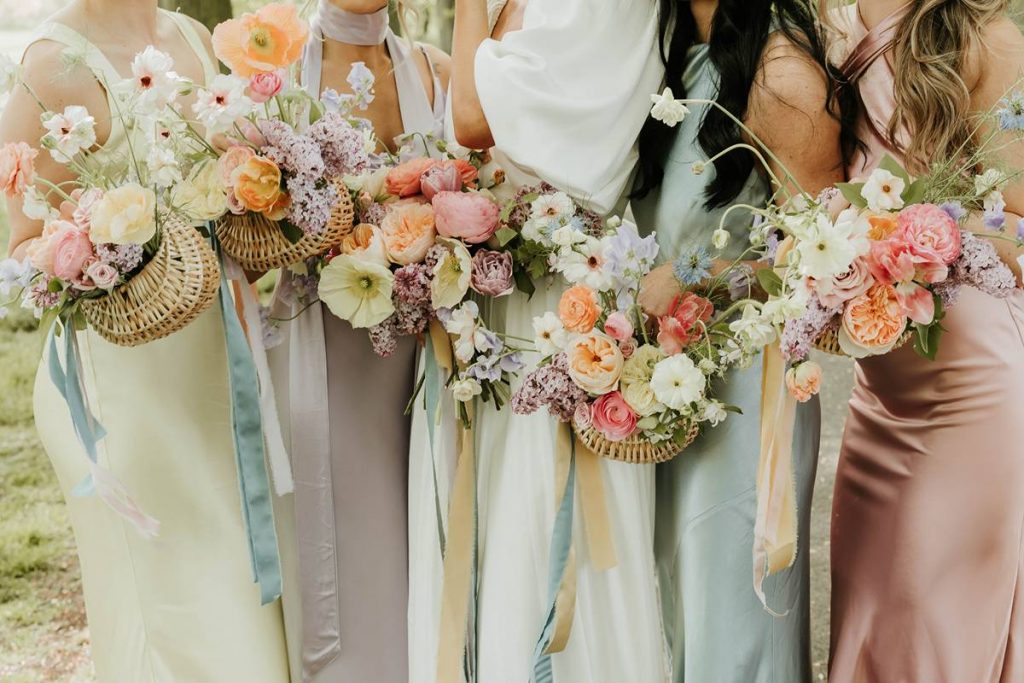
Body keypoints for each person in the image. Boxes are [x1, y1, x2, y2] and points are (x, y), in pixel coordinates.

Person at [0, 1, 291, 680]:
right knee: (188, 601)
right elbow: (21, 250)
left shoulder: (189, 35)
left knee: (248, 581)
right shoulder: (49, 67)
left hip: (222, 359)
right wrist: (110, 244)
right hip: (127, 385)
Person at [437, 0, 668, 680]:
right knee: (509, 535)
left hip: (563, 309)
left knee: (553, 540)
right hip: (509, 300)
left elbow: (472, 118)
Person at [631, 0, 848, 680]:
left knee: (732, 629)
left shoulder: (781, 71)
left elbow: (823, 246)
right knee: (674, 613)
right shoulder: (661, 53)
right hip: (667, 384)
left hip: (748, 395)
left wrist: (701, 278)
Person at [828, 1, 1024, 679]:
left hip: (967, 377)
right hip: (882, 381)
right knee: (871, 594)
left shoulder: (985, 37)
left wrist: (911, 230)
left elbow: (1021, 225)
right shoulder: (825, 23)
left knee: (936, 609)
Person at [271, 1, 449, 681]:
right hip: (326, 350)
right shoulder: (281, 72)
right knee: (353, 549)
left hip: (426, 359)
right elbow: (246, 243)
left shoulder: (434, 73)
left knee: (422, 540)